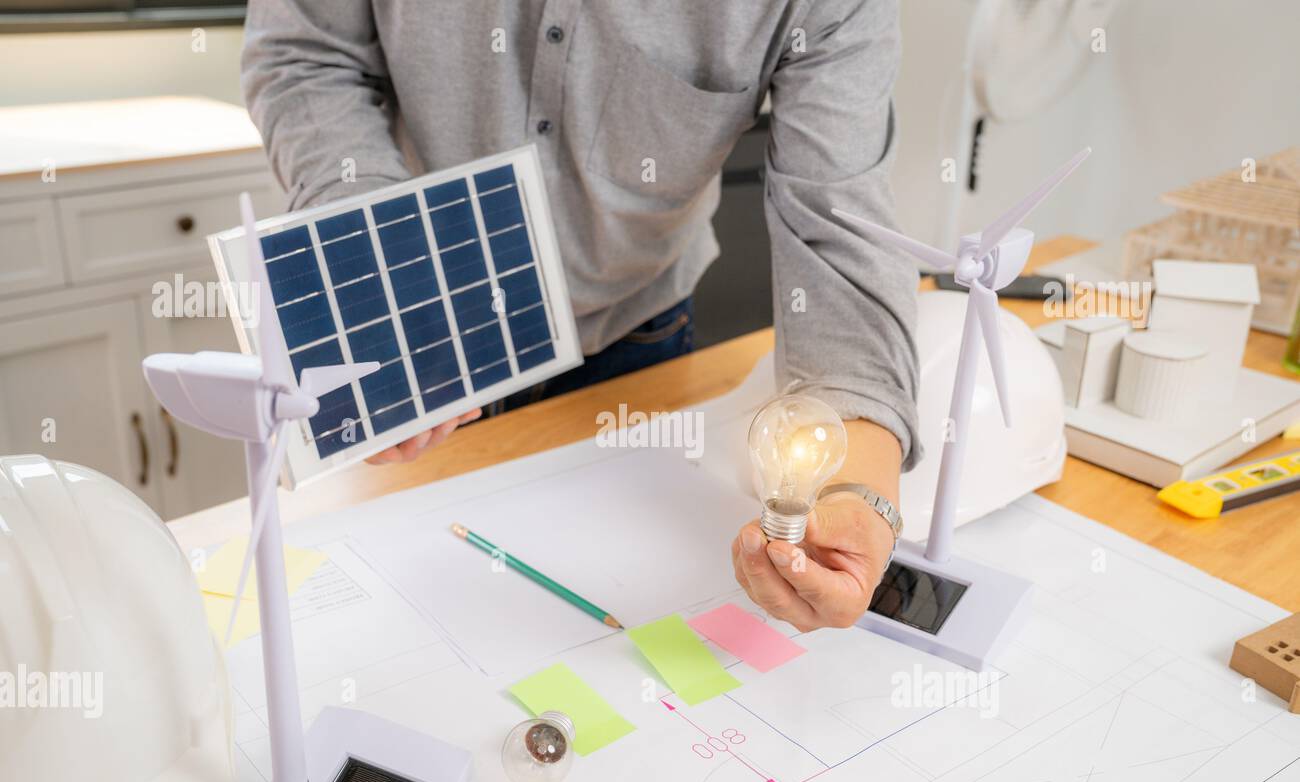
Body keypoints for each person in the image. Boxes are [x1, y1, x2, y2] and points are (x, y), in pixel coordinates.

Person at [241, 0, 920, 632]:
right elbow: (306, 54)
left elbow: (838, 219)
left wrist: (863, 493)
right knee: (408, 623)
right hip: (421, 340)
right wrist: (381, 253)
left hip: (634, 333)